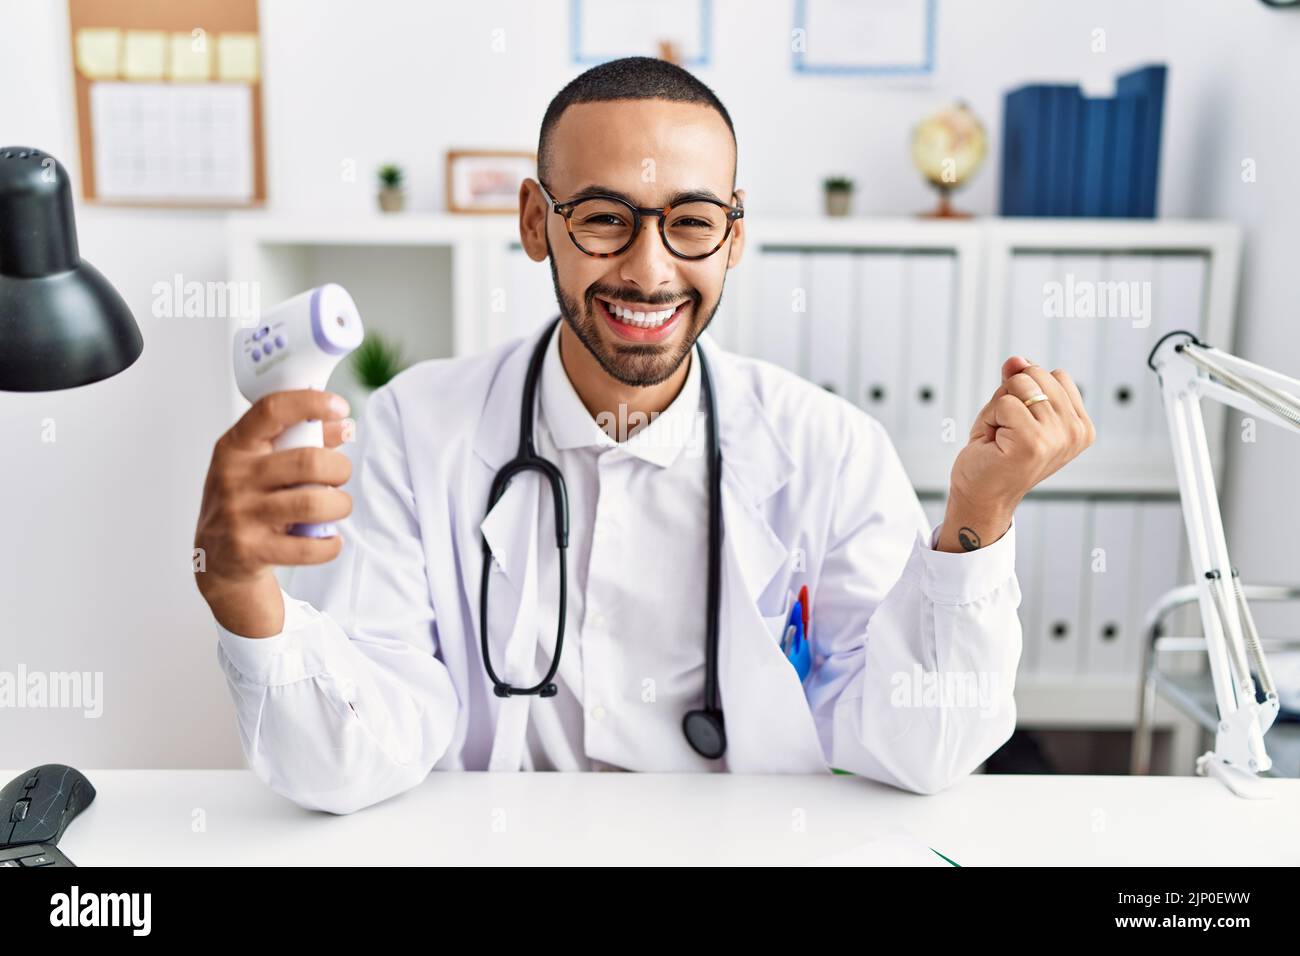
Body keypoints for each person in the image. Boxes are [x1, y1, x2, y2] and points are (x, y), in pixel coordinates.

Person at [194, 57, 1094, 814]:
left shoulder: (829, 448)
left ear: (733, 236)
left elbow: (919, 744)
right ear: (536, 223)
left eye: (692, 223)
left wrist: (979, 515)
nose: (650, 269)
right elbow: (355, 751)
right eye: (603, 218)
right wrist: (242, 594)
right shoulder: (412, 430)